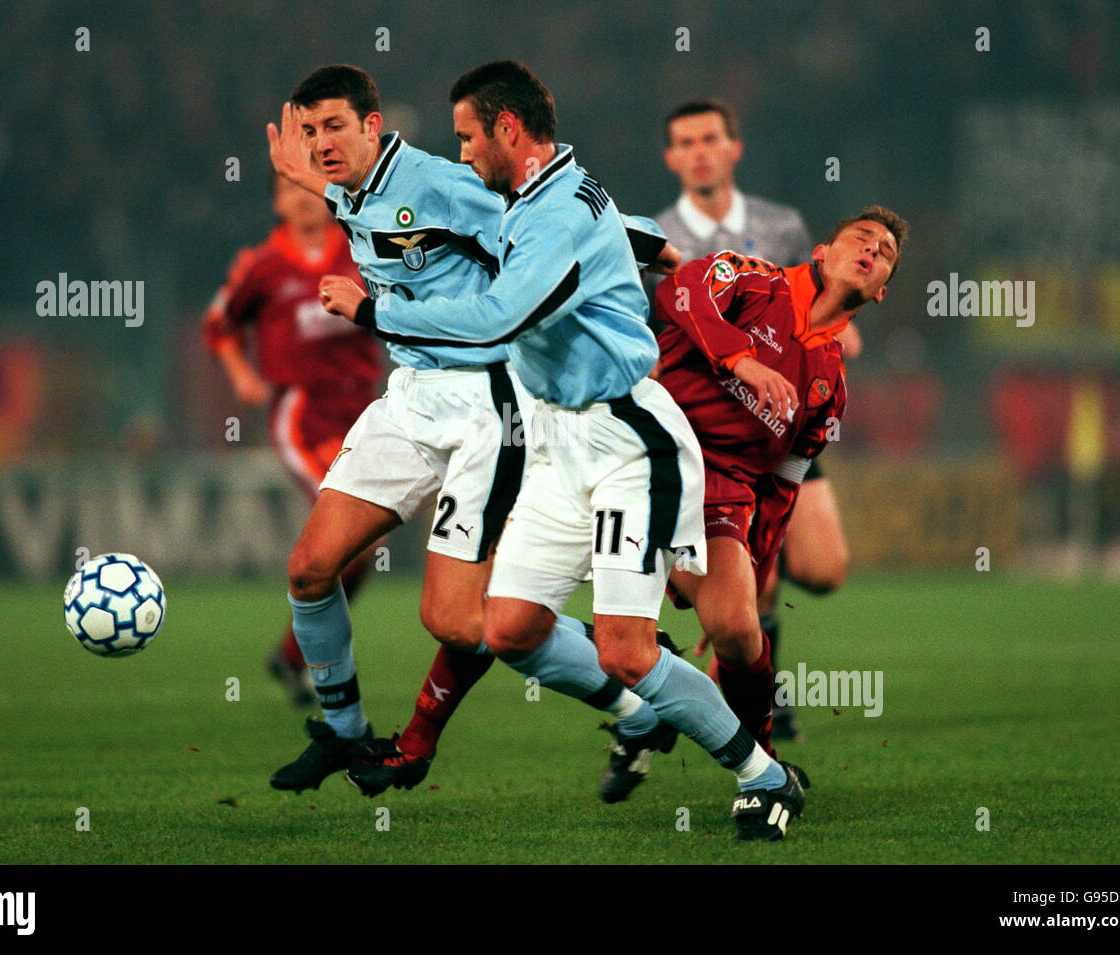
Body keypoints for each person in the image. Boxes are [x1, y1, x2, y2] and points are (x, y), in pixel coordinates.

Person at [324, 60, 808, 840]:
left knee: (624, 650)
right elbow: (626, 233)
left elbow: (494, 320)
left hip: (627, 442)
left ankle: (764, 774)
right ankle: (665, 701)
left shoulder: (552, 217)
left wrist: (373, 311)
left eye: (468, 136)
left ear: (508, 130)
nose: (461, 154)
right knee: (507, 626)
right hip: (557, 441)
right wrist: (659, 253)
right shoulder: (543, 192)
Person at [265, 64, 679, 796]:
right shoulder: (348, 188)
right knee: (309, 567)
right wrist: (304, 176)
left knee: (462, 622)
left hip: (488, 401)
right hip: (410, 396)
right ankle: (344, 730)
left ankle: (634, 690)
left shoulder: (438, 183)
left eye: (335, 126)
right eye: (309, 131)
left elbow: (547, 222)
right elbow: (351, 196)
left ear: (373, 125)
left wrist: (648, 243)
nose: (321, 143)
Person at [653, 208, 908, 768]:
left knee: (739, 631)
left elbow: (781, 493)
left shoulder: (830, 388)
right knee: (518, 612)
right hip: (650, 446)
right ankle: (645, 694)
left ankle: (762, 769)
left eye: (884, 253)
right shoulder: (754, 278)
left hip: (721, 489)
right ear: (820, 251)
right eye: (860, 239)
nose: (871, 251)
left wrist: (754, 577)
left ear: (882, 292)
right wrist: (741, 361)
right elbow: (678, 291)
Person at [655, 99, 860, 741]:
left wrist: (837, 339)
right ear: (671, 157)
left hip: (783, 420)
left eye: (710, 138)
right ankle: (760, 696)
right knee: (747, 572)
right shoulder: (654, 232)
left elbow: (821, 303)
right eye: (685, 142)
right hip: (704, 433)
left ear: (734, 147)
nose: (699, 151)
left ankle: (733, 643)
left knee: (824, 570)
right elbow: (653, 322)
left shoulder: (781, 226)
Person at [201, 169, 382, 706]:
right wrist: (241, 374)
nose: (301, 203)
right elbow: (220, 323)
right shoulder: (263, 265)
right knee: (348, 531)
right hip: (303, 412)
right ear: (277, 204)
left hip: (365, 410)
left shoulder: (360, 249)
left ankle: (292, 655)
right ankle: (315, 661)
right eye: (288, 193)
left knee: (363, 550)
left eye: (309, 192)